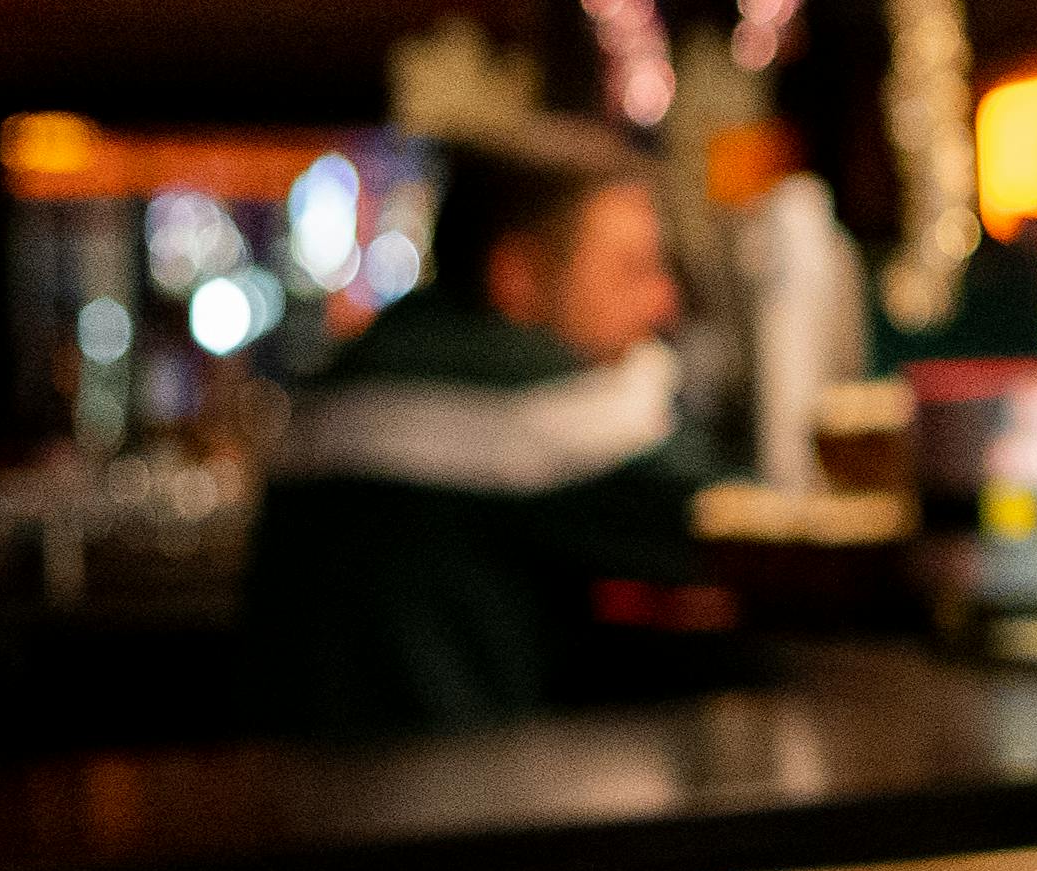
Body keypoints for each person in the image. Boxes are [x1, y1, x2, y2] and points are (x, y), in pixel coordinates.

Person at [236, 116, 715, 738]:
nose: (663, 303)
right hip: (445, 814)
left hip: (294, 805)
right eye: (633, 269)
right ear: (515, 277)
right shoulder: (531, 399)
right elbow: (744, 522)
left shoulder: (363, 365)